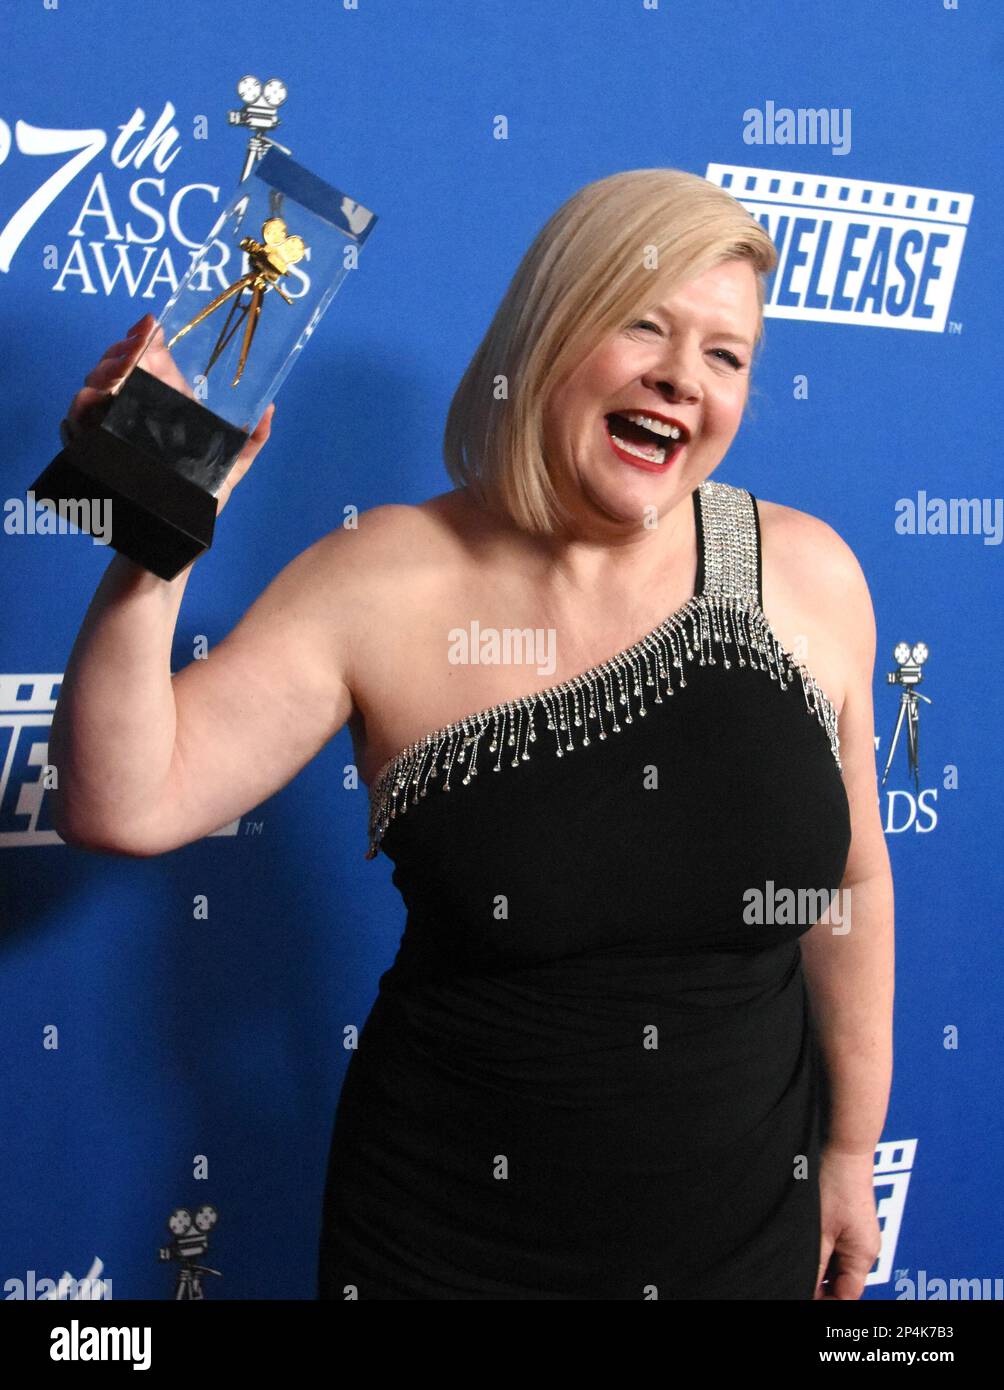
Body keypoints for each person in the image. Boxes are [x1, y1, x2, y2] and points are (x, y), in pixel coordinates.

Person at [51, 167, 894, 1301]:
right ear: (549, 327)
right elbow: (125, 800)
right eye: (640, 324)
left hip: (744, 1232)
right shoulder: (382, 577)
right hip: (446, 1246)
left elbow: (847, 884)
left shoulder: (808, 574)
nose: (679, 380)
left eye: (724, 355)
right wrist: (149, 530)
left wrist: (846, 1152)